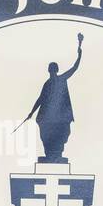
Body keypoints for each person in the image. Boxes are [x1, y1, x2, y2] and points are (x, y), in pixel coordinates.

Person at [20, 34, 83, 163]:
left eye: (53, 69)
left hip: (59, 116)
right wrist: (31, 113)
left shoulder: (61, 79)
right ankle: (50, 155)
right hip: (49, 117)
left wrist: (80, 52)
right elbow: (40, 99)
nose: (52, 71)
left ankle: (56, 156)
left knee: (60, 135)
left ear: (54, 70)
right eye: (51, 69)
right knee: (48, 135)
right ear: (50, 70)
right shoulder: (48, 84)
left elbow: (75, 68)